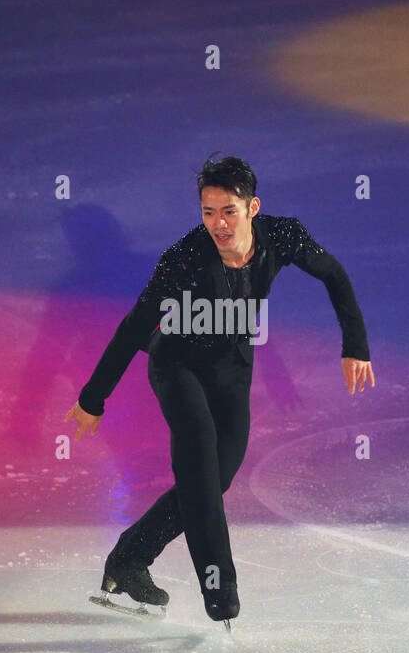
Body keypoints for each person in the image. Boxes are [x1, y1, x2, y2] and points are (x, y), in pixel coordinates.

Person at [66, 156, 374, 624]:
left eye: (228, 210)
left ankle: (130, 557)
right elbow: (134, 329)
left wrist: (355, 345)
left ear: (253, 207)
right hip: (177, 366)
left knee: (215, 479)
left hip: (232, 368)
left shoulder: (282, 236)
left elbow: (333, 273)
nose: (218, 224)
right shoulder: (184, 257)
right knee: (200, 470)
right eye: (208, 212)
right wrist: (93, 397)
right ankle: (221, 591)